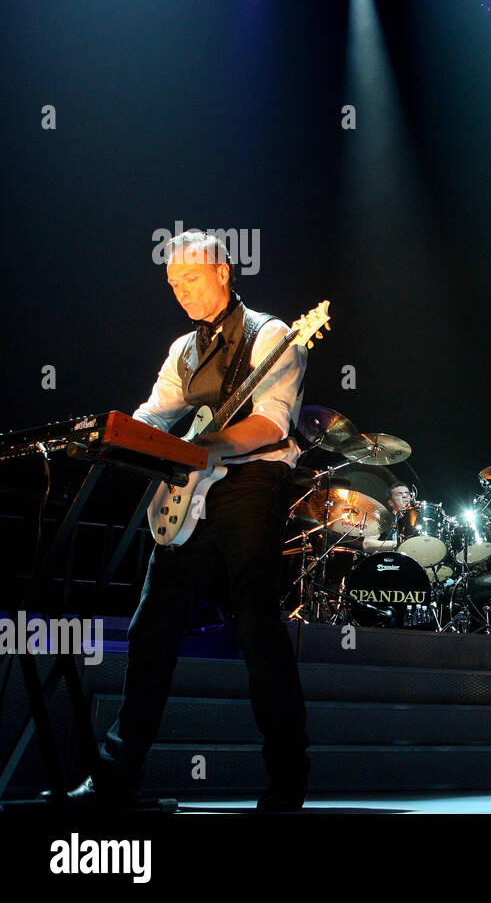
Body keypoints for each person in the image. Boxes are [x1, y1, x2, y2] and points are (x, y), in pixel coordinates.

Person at [59, 230, 311, 810]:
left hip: (252, 483)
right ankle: (116, 779)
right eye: (172, 284)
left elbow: (272, 425)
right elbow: (156, 411)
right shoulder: (183, 349)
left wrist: (204, 448)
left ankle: (287, 780)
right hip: (191, 489)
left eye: (190, 279)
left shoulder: (274, 336)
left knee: (256, 625)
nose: (180, 292)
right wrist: (115, 433)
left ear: (223, 271)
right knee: (151, 630)